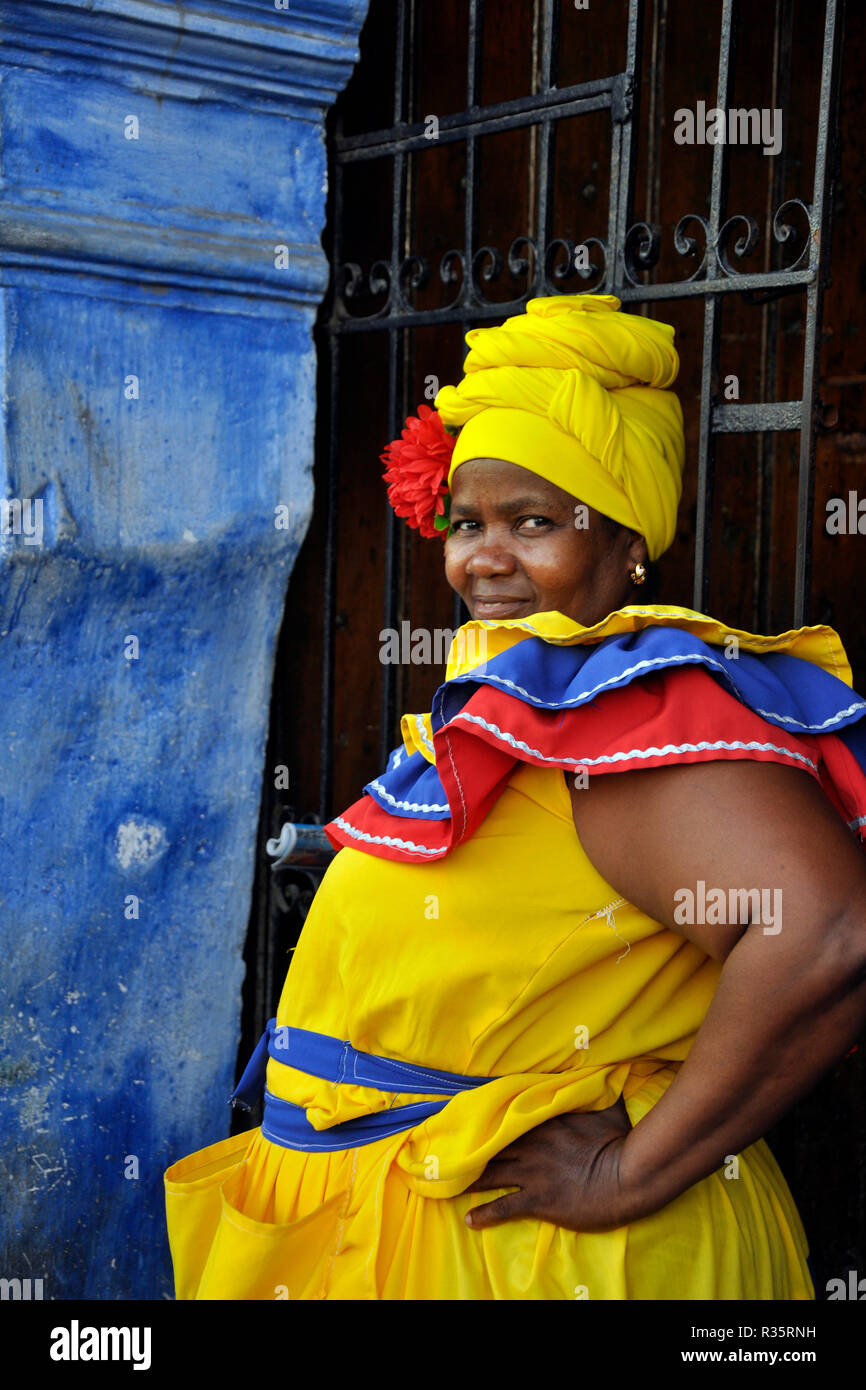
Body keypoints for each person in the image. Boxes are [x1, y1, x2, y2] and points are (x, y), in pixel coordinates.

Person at [164, 293, 866, 1300]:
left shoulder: (618, 702)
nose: (482, 557)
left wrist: (630, 1167)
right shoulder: (518, 702)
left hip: (535, 1258)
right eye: (467, 522)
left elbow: (825, 929)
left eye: (534, 521)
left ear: (626, 543)